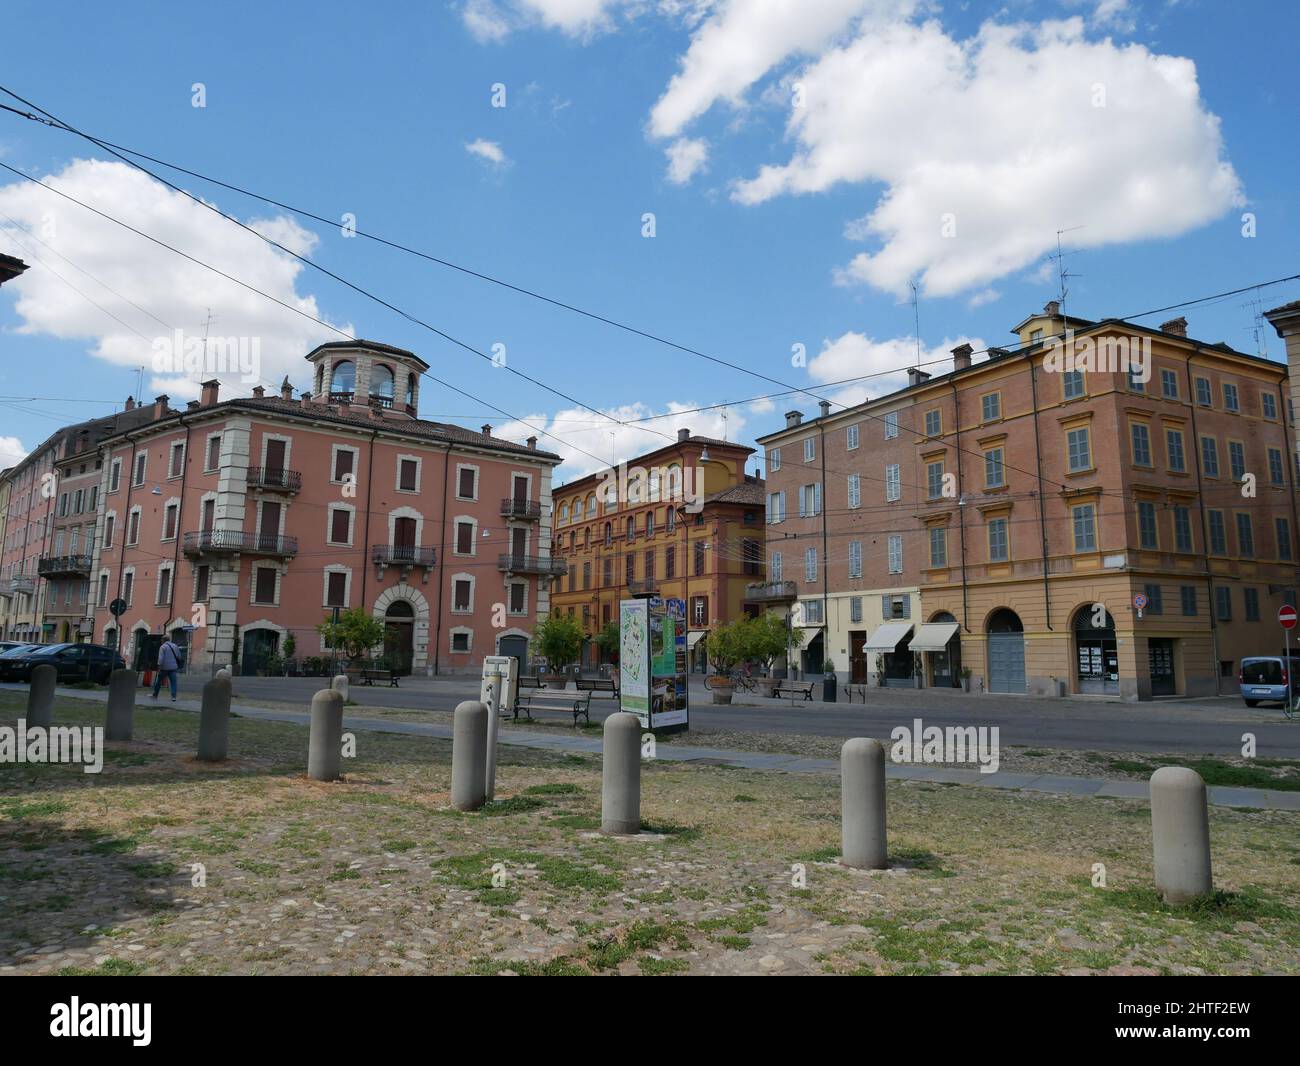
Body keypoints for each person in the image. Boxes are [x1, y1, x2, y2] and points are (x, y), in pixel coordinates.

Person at [151, 637, 182, 701]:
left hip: (164, 668)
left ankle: (155, 695)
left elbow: (160, 658)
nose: (161, 641)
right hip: (173, 667)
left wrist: (159, 666)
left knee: (158, 682)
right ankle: (173, 697)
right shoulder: (175, 646)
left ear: (163, 640)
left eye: (161, 640)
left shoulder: (163, 647)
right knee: (173, 682)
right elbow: (179, 656)